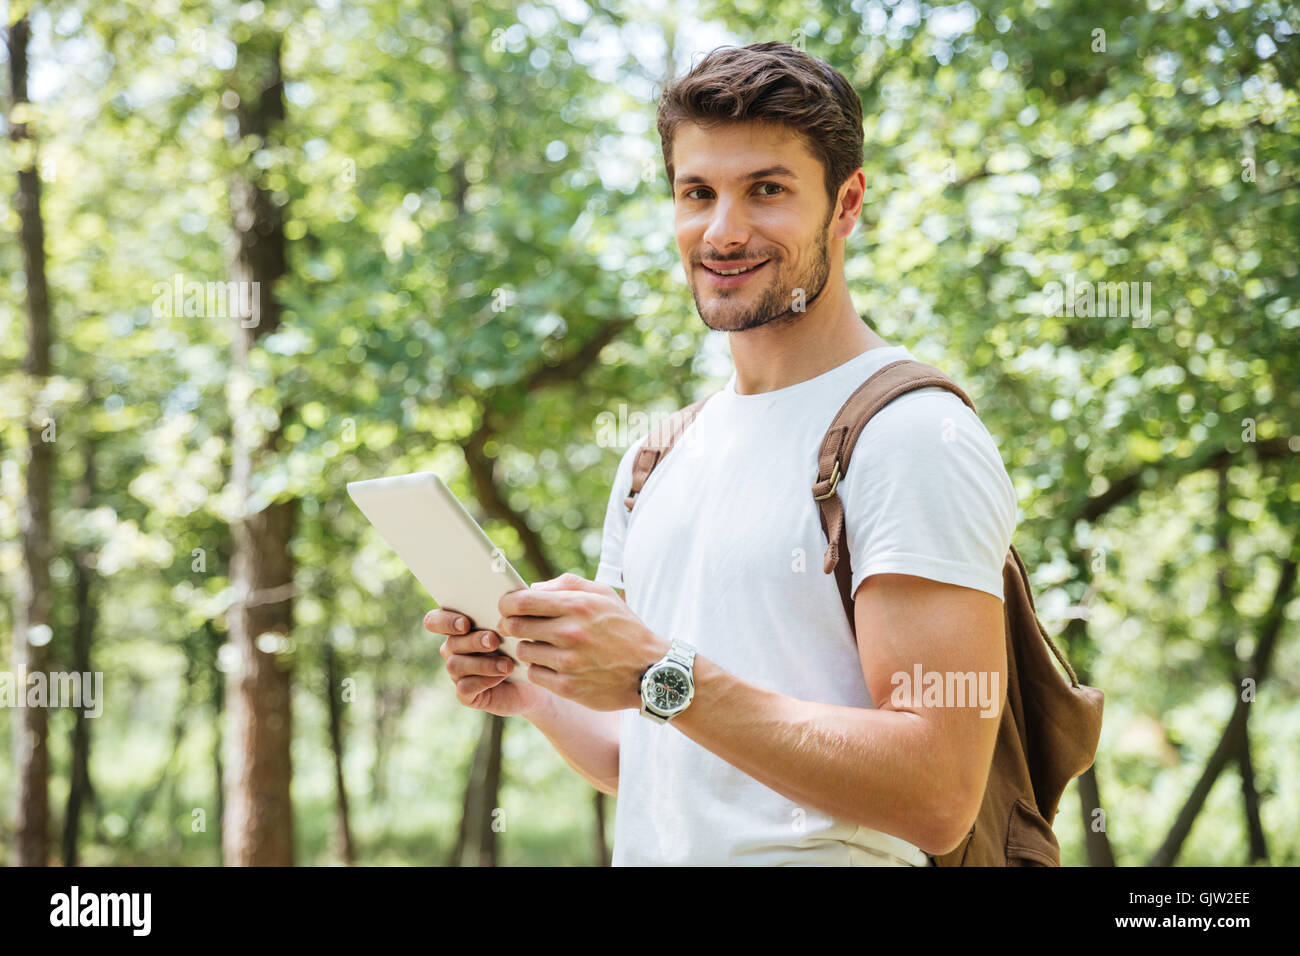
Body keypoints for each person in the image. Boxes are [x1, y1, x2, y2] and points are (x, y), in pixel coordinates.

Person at [424, 41, 1017, 866]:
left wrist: (659, 675)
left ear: (846, 204)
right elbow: (656, 762)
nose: (724, 231)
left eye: (766, 190)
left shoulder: (912, 434)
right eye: (697, 193)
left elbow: (938, 792)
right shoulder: (658, 456)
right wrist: (539, 693)